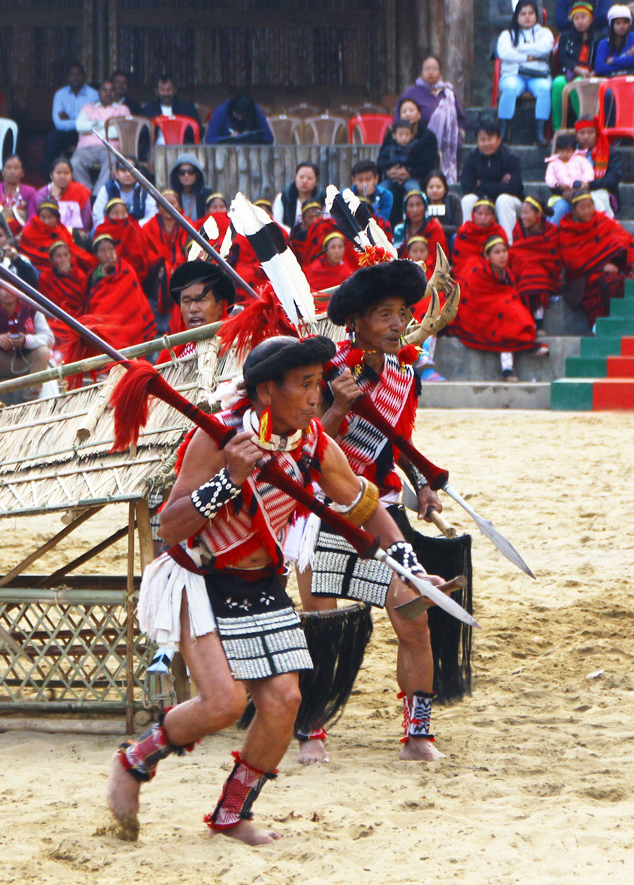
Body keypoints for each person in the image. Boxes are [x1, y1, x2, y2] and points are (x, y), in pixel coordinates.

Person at [107, 333, 417, 844]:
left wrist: (405, 560)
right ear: (266, 392)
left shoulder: (313, 441)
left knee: (283, 700)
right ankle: (136, 760)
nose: (317, 396)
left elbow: (363, 503)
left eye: (319, 383)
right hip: (199, 577)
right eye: (305, 384)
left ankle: (232, 813)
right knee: (224, 703)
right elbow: (172, 526)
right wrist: (228, 479)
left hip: (261, 582)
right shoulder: (217, 438)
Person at [294, 259, 443, 764]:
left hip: (378, 504)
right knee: (320, 621)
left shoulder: (405, 373)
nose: (398, 324)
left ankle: (418, 734)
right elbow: (302, 446)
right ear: (356, 321)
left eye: (402, 313)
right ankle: (311, 730)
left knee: (413, 617)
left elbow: (398, 443)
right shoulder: (325, 370)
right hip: (322, 508)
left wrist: (422, 486)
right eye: (385, 315)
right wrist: (335, 409)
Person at [449, 235, 540, 379]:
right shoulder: (478, 271)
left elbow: (508, 295)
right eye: (497, 252)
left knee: (512, 314)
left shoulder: (508, 273)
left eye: (504, 251)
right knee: (507, 313)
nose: (502, 255)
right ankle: (513, 361)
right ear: (487, 255)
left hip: (499, 315)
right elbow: (473, 297)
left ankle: (510, 366)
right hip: (477, 315)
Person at [557, 192, 634, 326]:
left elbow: (622, 237)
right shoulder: (567, 230)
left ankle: (625, 323)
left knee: (622, 281)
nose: (588, 211)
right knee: (609, 283)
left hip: (608, 269)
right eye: (583, 208)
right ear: (574, 211)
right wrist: (601, 266)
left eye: (590, 206)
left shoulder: (601, 220)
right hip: (582, 278)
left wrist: (622, 259)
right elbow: (573, 261)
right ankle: (605, 326)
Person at [0, 281, 53, 400]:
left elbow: (49, 338)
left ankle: (31, 398)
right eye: (3, 288)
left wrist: (26, 340)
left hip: (24, 362)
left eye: (11, 287)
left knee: (43, 351)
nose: (7, 292)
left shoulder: (32, 309)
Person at [75, 233, 157, 356]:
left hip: (129, 318)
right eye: (102, 251)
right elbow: (92, 301)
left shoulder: (126, 268)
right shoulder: (94, 274)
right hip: (105, 321)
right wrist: (103, 275)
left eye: (110, 249)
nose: (108, 254)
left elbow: (134, 296)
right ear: (96, 255)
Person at [394, 56, 464, 182]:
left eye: (434, 68)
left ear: (440, 72)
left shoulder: (448, 92)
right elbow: (399, 119)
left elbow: (460, 118)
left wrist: (458, 137)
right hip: (420, 146)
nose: (431, 72)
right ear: (421, 71)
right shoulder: (411, 93)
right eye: (427, 68)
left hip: (447, 149)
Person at [495, 0, 555, 139]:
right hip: (513, 74)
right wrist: (530, 57)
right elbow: (504, 53)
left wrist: (520, 48)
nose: (527, 17)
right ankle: (503, 133)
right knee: (510, 88)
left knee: (544, 89)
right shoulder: (507, 34)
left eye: (531, 13)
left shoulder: (545, 32)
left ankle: (540, 133)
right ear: (517, 16)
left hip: (538, 75)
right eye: (523, 14)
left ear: (536, 15)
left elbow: (545, 49)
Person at [161, 260, 237, 362]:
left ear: (220, 306)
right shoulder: (170, 359)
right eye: (186, 301)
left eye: (201, 299)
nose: (193, 309)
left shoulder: (238, 347)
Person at [459, 123, 525, 233]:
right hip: (481, 200)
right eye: (482, 140)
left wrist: (482, 184)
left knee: (503, 200)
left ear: (499, 139)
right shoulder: (471, 158)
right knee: (468, 200)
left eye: (490, 139)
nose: (486, 143)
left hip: (511, 202)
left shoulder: (511, 158)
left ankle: (508, 243)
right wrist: (500, 186)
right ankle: (468, 237)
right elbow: (467, 187)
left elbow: (512, 189)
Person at [71, 79, 132, 191]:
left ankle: (98, 194)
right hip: (86, 149)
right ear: (98, 92)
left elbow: (121, 131)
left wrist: (92, 127)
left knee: (112, 161)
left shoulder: (122, 109)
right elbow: (79, 126)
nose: (108, 93)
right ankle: (86, 192)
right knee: (75, 162)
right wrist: (108, 126)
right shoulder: (88, 108)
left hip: (109, 149)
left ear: (115, 92)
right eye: (104, 90)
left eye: (112, 90)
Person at [509, 195, 561, 323]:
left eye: (527, 213)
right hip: (522, 270)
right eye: (522, 213)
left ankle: (538, 318)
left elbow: (552, 256)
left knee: (534, 272)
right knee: (528, 270)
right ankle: (532, 318)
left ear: (538, 213)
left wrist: (533, 261)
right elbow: (516, 254)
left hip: (546, 270)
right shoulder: (518, 230)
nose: (523, 217)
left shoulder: (551, 230)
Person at [551, 3, 600, 130]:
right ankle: (558, 129)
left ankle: (585, 127)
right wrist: (576, 69)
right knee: (557, 83)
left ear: (591, 18)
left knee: (578, 84)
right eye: (576, 18)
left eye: (583, 17)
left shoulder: (599, 38)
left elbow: (600, 60)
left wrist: (593, 72)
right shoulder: (566, 36)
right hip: (570, 73)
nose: (580, 21)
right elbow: (562, 58)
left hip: (591, 76)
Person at [94, 197, 164, 286]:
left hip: (139, 266)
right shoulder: (102, 230)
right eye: (116, 213)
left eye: (124, 212)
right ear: (108, 215)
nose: (120, 216)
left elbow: (144, 248)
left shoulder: (133, 225)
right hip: (115, 266)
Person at [16, 197, 93, 275]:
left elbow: (71, 248)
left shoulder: (61, 230)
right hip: (40, 267)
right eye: (42, 217)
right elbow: (31, 252)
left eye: (50, 217)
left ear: (57, 218)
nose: (46, 221)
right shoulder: (29, 231)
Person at [36, 241, 88, 352]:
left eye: (66, 255)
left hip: (78, 318)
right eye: (58, 256)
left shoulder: (80, 276)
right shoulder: (45, 278)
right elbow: (46, 305)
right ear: (51, 260)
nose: (63, 259)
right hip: (56, 318)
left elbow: (85, 302)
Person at [545, 131, 604, 223]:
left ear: (573, 150)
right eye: (561, 151)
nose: (564, 154)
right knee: (560, 208)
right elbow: (549, 178)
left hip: (582, 191)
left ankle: (605, 225)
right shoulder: (553, 164)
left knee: (597, 204)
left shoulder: (580, 159)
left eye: (568, 151)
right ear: (557, 151)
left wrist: (584, 182)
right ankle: (551, 231)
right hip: (563, 194)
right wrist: (558, 185)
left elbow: (589, 171)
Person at [47, 62, 98, 166]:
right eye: (72, 74)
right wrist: (81, 121)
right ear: (67, 77)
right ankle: (50, 177)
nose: (76, 77)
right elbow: (58, 123)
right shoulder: (60, 94)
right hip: (66, 133)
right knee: (51, 138)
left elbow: (93, 122)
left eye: (79, 74)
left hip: (86, 133)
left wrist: (69, 118)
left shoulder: (93, 94)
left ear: (84, 76)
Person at [574, 120, 623, 218]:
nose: (586, 137)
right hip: (573, 194)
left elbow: (613, 180)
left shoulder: (610, 153)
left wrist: (589, 185)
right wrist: (564, 190)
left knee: (596, 202)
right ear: (576, 136)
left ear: (597, 134)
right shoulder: (569, 153)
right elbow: (555, 178)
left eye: (590, 132)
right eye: (582, 133)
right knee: (560, 207)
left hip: (602, 192)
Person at [37, 158, 95, 240]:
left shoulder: (81, 191)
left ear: (72, 175)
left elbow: (85, 222)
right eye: (58, 173)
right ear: (51, 175)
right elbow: (41, 219)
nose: (62, 176)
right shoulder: (43, 194)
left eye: (66, 173)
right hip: (49, 234)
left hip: (76, 235)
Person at [392, 190, 448, 272]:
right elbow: (395, 259)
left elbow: (440, 259)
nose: (415, 210)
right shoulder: (399, 230)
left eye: (418, 205)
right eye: (411, 205)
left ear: (425, 207)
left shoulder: (434, 227)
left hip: (430, 270)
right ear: (406, 209)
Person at [452, 198, 509, 268]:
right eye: (479, 213)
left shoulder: (498, 232)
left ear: (493, 217)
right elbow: (458, 260)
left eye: (487, 214)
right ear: (472, 215)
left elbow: (504, 258)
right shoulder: (464, 231)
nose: (483, 218)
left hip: (491, 270)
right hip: (465, 271)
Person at [593, 5, 634, 78]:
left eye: (625, 23)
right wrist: (628, 63)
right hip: (610, 83)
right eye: (618, 23)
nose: (622, 26)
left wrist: (613, 61)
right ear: (611, 25)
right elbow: (599, 68)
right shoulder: (604, 44)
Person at [205, 93, 273, 145]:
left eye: (242, 117)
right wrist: (229, 139)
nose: (239, 119)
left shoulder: (255, 111)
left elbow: (269, 138)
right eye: (237, 116)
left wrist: (250, 138)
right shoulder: (221, 112)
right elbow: (209, 140)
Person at [343, 159, 392, 225]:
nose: (364, 184)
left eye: (368, 180)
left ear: (376, 179)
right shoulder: (344, 195)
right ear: (353, 180)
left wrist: (366, 199)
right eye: (360, 180)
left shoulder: (385, 195)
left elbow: (383, 220)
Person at [0, 155, 37, 219]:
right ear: (2, 172)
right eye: (8, 168)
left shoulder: (30, 191)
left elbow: (32, 215)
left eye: (16, 168)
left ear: (22, 173)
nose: (12, 172)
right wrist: (19, 213)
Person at [278, 162, 321, 231]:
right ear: (295, 177)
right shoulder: (283, 197)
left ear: (316, 180)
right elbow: (278, 223)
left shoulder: (323, 198)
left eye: (309, 178)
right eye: (301, 177)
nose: (304, 181)